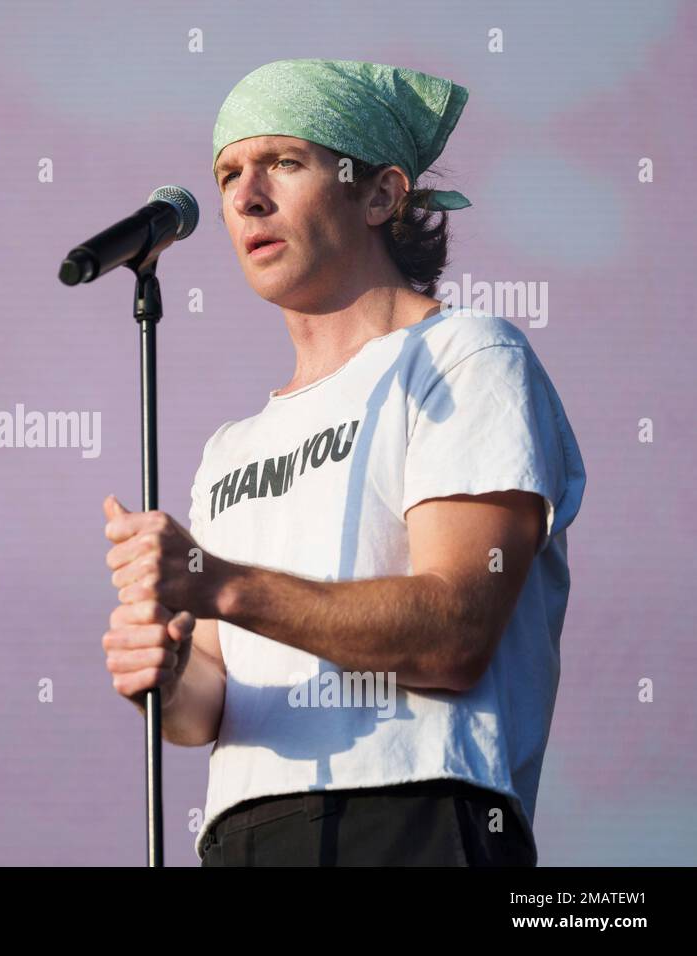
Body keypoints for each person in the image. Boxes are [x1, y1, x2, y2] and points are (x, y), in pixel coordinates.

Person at [99, 59, 587, 866]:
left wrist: (221, 582)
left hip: (416, 816)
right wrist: (168, 670)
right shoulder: (233, 447)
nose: (247, 195)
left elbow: (454, 634)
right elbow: (206, 710)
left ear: (380, 194)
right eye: (228, 174)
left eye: (284, 162)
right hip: (245, 834)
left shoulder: (465, 355)